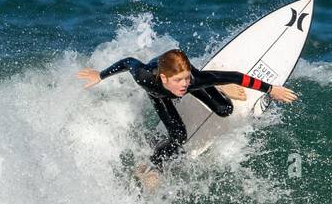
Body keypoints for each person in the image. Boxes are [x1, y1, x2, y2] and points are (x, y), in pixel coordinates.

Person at [77, 49, 297, 189]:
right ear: (164, 78)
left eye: (186, 79)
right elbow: (128, 61)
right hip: (159, 93)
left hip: (191, 78)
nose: (184, 83)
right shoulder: (144, 77)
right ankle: (154, 167)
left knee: (225, 109)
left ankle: (222, 88)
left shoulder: (191, 81)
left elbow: (237, 76)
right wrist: (100, 75)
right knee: (178, 135)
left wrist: (270, 89)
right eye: (180, 80)